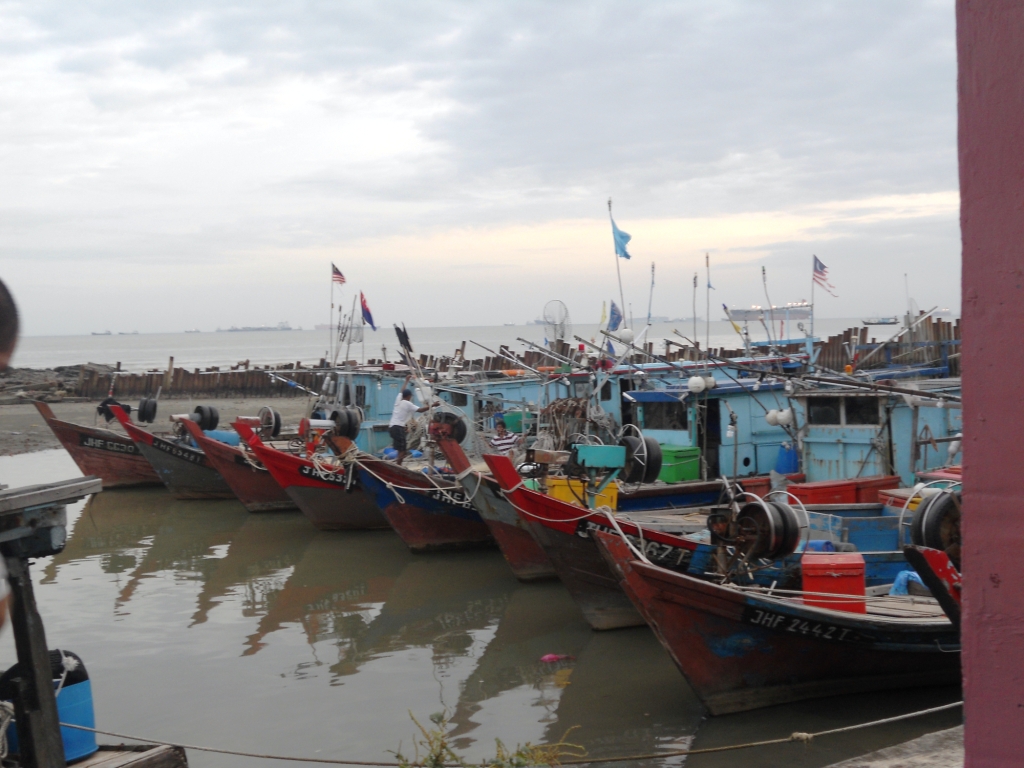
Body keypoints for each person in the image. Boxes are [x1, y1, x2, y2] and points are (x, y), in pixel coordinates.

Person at [389, 375, 437, 465]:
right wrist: (433, 405)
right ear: (409, 396)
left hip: (391, 427)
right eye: (411, 396)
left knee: (400, 449)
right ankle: (398, 467)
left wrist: (406, 381)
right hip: (398, 428)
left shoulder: (398, 400)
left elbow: (401, 391)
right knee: (403, 450)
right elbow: (421, 410)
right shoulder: (407, 403)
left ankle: (398, 465)